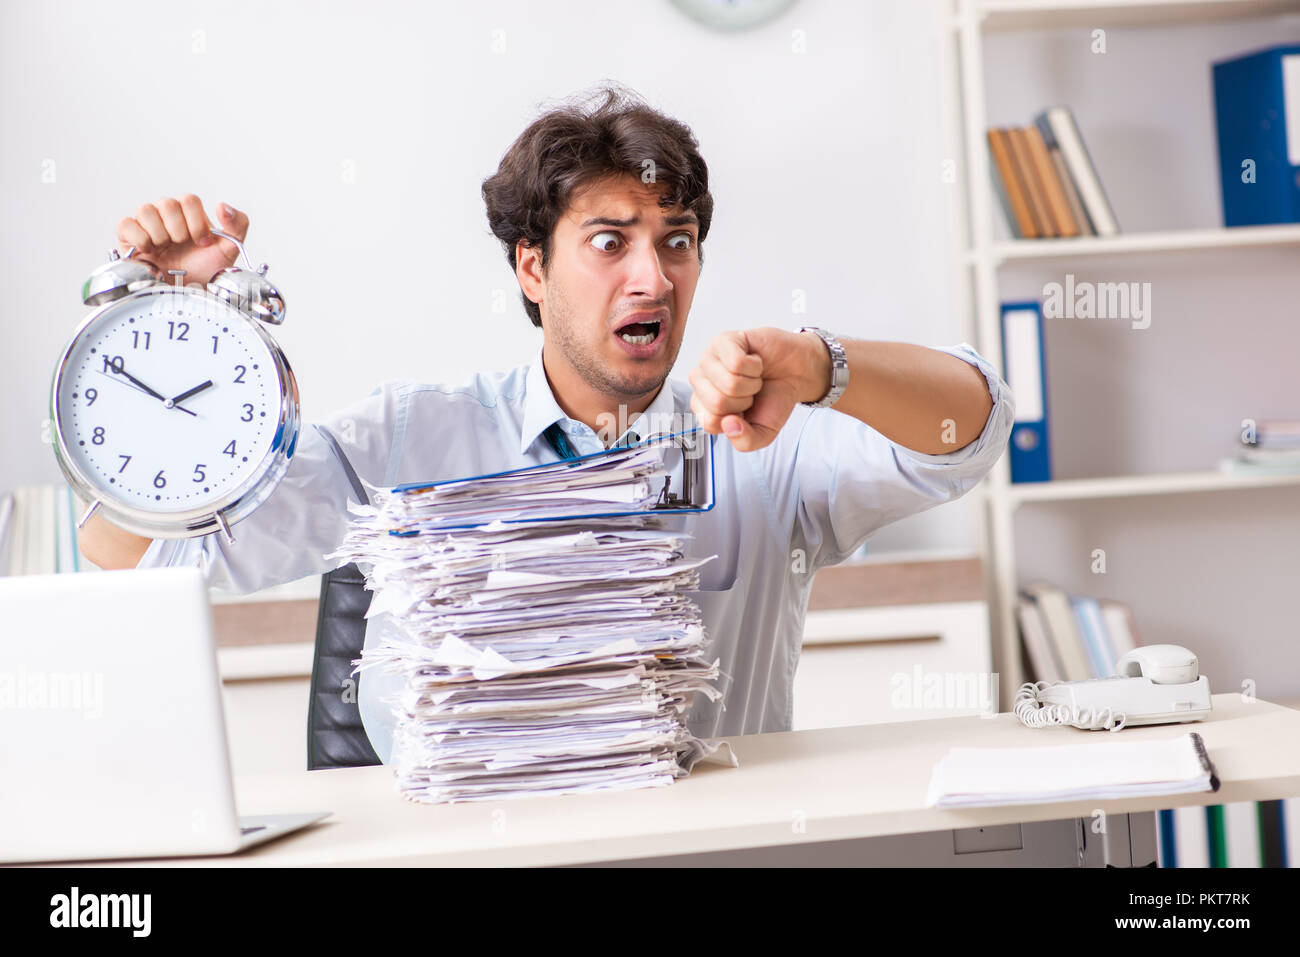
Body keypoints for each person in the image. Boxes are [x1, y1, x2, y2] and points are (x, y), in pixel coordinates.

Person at [80, 85, 1014, 762]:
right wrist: (167, 335)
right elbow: (137, 563)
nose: (652, 277)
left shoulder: (759, 440)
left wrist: (822, 364)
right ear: (532, 269)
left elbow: (971, 428)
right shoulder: (410, 440)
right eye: (610, 242)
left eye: (675, 241)